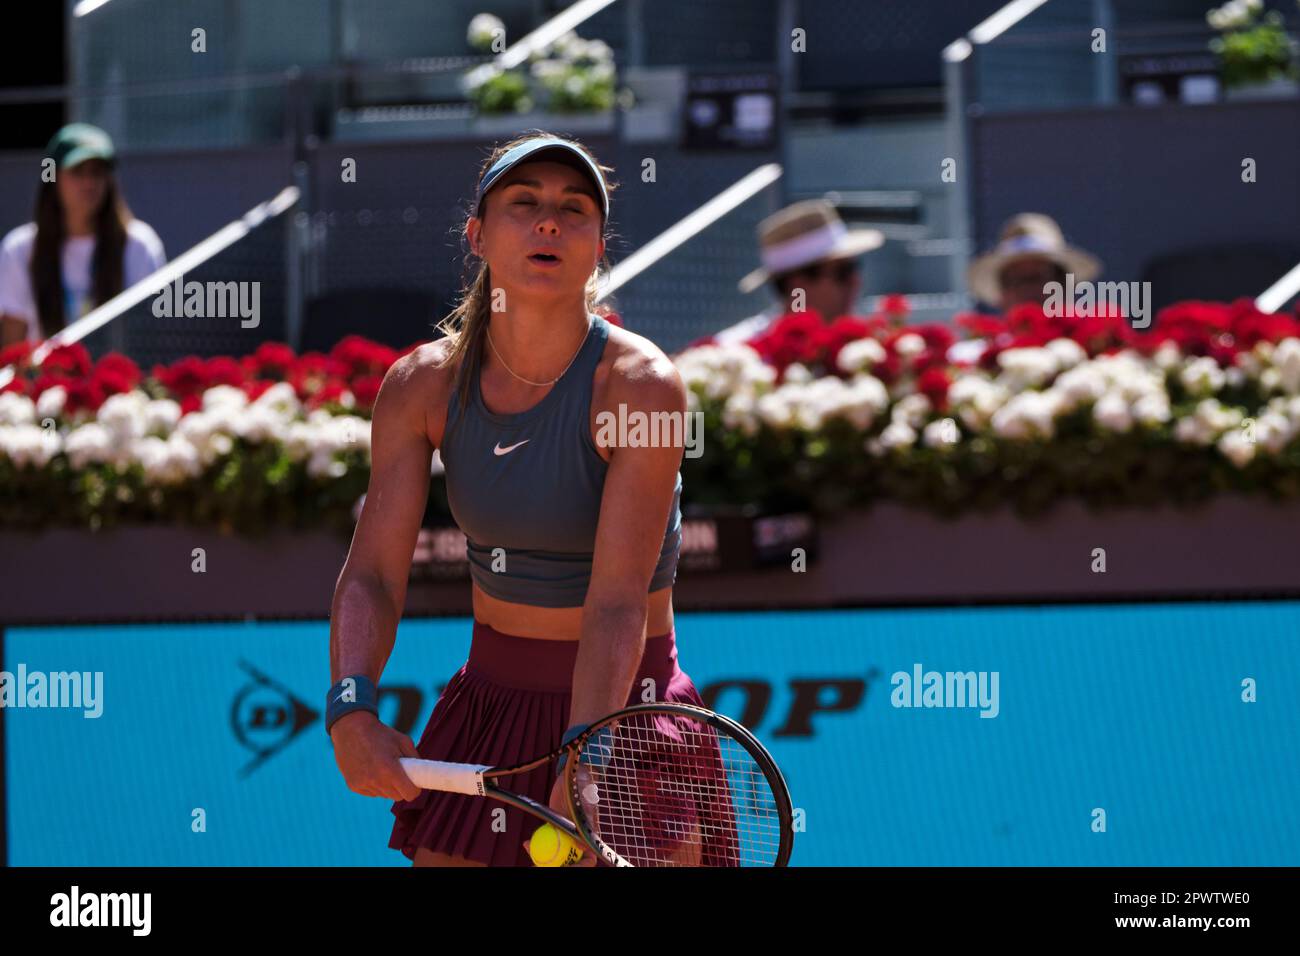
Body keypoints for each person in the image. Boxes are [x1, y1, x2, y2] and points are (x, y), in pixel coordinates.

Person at [326, 132, 721, 867]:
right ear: (476, 236)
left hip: (624, 710)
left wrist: (588, 756)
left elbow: (616, 603)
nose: (549, 222)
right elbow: (373, 574)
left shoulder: (644, 385)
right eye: (524, 204)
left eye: (574, 210)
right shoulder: (419, 386)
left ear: (599, 245)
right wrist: (350, 707)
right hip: (490, 709)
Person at [0, 123, 166, 347]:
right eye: (78, 171)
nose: (89, 183)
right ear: (51, 177)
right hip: (44, 381)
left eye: (97, 172)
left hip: (117, 381)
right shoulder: (19, 249)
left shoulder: (140, 244)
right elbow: (12, 350)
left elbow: (150, 338)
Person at [711, 198, 883, 346]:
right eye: (843, 272)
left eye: (854, 267)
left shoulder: (870, 349)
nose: (855, 281)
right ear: (798, 285)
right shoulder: (739, 355)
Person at [966, 212, 1102, 313]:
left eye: (1037, 278)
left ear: (1064, 287)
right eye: (1017, 280)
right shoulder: (978, 351)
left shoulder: (1097, 346)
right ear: (1002, 294)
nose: (1028, 290)